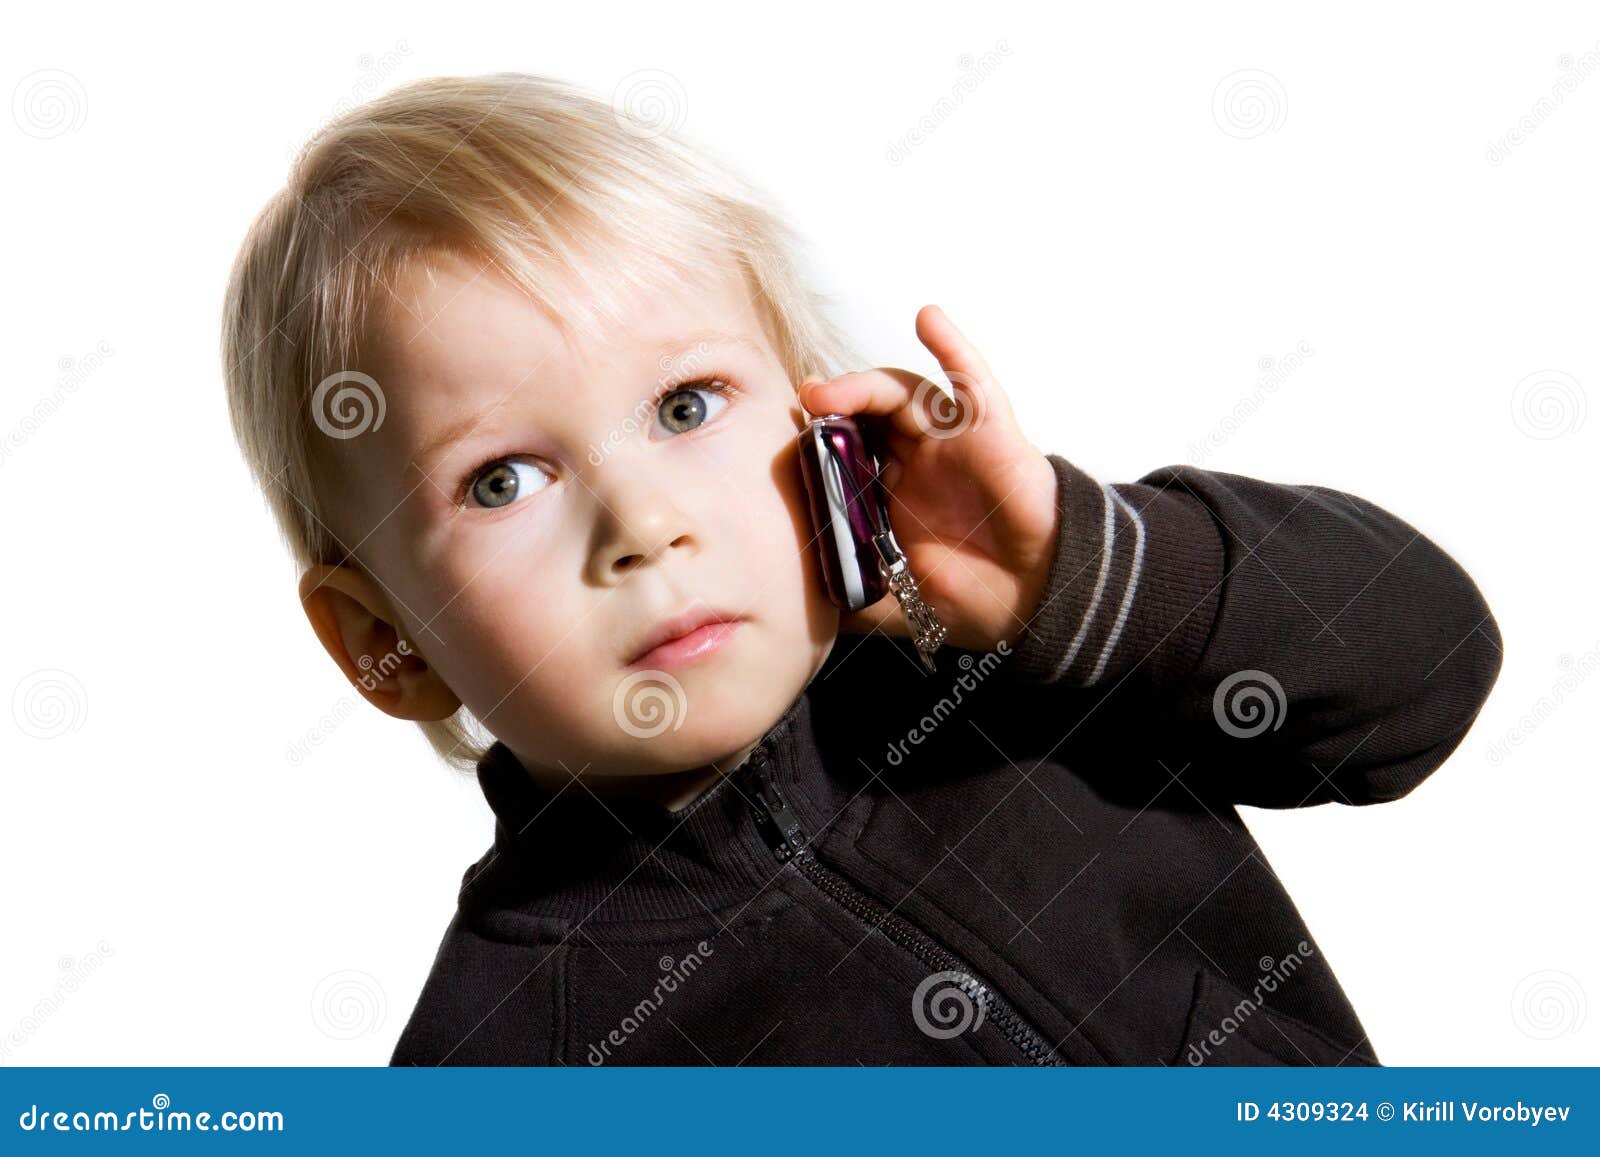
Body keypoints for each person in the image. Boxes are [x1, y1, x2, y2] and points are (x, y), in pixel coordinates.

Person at [220, 72, 1502, 1065]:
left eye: (685, 405)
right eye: (503, 479)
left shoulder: (1038, 654)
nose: (642, 523)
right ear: (382, 641)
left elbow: (1429, 668)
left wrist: (1074, 572)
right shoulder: (505, 1062)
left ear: (822, 426)